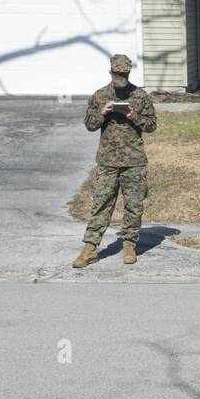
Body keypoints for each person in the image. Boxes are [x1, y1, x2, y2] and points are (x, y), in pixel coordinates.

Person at [73, 54, 157, 269]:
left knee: (134, 206)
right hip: (107, 161)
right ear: (111, 73)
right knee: (101, 204)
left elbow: (151, 125)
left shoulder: (140, 96)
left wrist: (134, 115)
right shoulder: (100, 95)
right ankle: (90, 247)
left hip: (134, 161)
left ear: (128, 74)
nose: (120, 77)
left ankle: (129, 244)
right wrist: (102, 112)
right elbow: (90, 125)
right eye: (117, 74)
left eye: (124, 74)